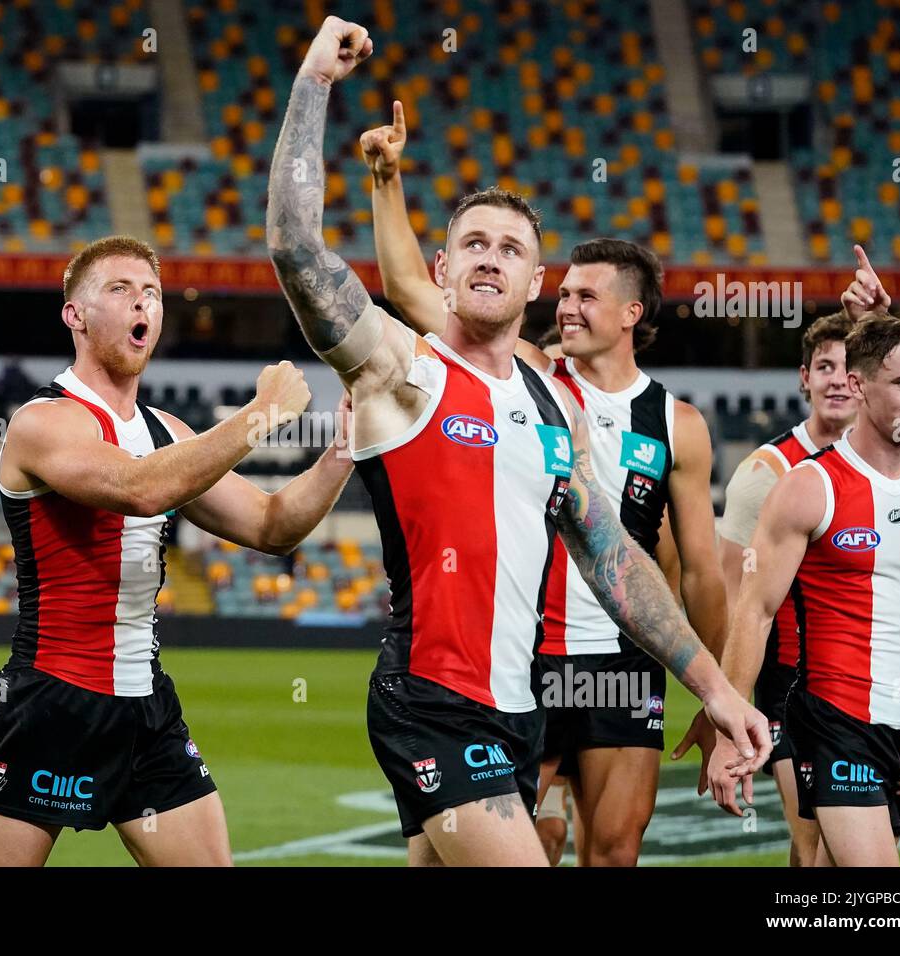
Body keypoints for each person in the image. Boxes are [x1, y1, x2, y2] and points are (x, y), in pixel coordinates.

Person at [265, 16, 769, 867]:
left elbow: (612, 557)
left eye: (510, 248)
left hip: (517, 708)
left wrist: (716, 690)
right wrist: (314, 80)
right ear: (441, 271)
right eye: (472, 245)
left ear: (537, 280)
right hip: (430, 699)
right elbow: (293, 245)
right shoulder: (400, 367)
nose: (490, 259)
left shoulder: (548, 402)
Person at [360, 102, 727, 867]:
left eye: (586, 296)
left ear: (632, 313)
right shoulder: (524, 373)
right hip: (533, 655)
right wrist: (388, 181)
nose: (566, 306)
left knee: (615, 851)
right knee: (532, 842)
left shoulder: (675, 422)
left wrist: (717, 691)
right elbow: (403, 283)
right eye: (562, 293)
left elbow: (698, 567)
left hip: (626, 661)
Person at [0, 235, 354, 866]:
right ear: (75, 315)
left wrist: (344, 447)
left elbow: (274, 526)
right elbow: (142, 489)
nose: (143, 303)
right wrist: (260, 414)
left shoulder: (168, 432)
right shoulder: (43, 422)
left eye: (152, 293)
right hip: (53, 702)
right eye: (120, 289)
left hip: (145, 707)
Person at [713, 314, 900, 866]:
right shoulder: (807, 487)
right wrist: (727, 728)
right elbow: (754, 612)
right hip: (829, 718)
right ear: (862, 385)